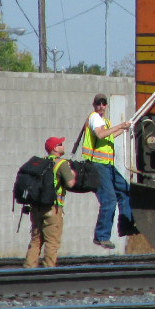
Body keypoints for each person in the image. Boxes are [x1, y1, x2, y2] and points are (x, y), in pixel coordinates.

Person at [82, 93, 134, 249]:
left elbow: (108, 136)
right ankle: (102, 236)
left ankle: (127, 224)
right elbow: (101, 134)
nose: (101, 106)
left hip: (107, 165)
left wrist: (124, 129)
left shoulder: (104, 121)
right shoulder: (95, 118)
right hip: (98, 165)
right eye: (98, 104)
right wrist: (119, 126)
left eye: (103, 104)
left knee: (125, 190)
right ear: (94, 105)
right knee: (109, 200)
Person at [24, 136, 76, 268]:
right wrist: (73, 174)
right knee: (52, 242)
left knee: (36, 241)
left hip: (36, 208)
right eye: (60, 144)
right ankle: (48, 271)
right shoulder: (61, 163)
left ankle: (28, 269)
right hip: (53, 208)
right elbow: (70, 184)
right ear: (55, 148)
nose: (63, 145)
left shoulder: (40, 163)